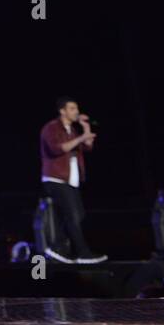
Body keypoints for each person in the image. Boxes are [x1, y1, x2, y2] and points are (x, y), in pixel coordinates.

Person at [40, 98, 107, 264]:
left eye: (76, 108)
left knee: (78, 215)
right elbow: (57, 149)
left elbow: (88, 146)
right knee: (73, 216)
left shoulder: (73, 130)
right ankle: (83, 254)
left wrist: (85, 129)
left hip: (71, 180)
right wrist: (81, 137)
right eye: (72, 108)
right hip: (55, 178)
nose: (76, 111)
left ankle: (57, 247)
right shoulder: (51, 127)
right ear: (62, 111)